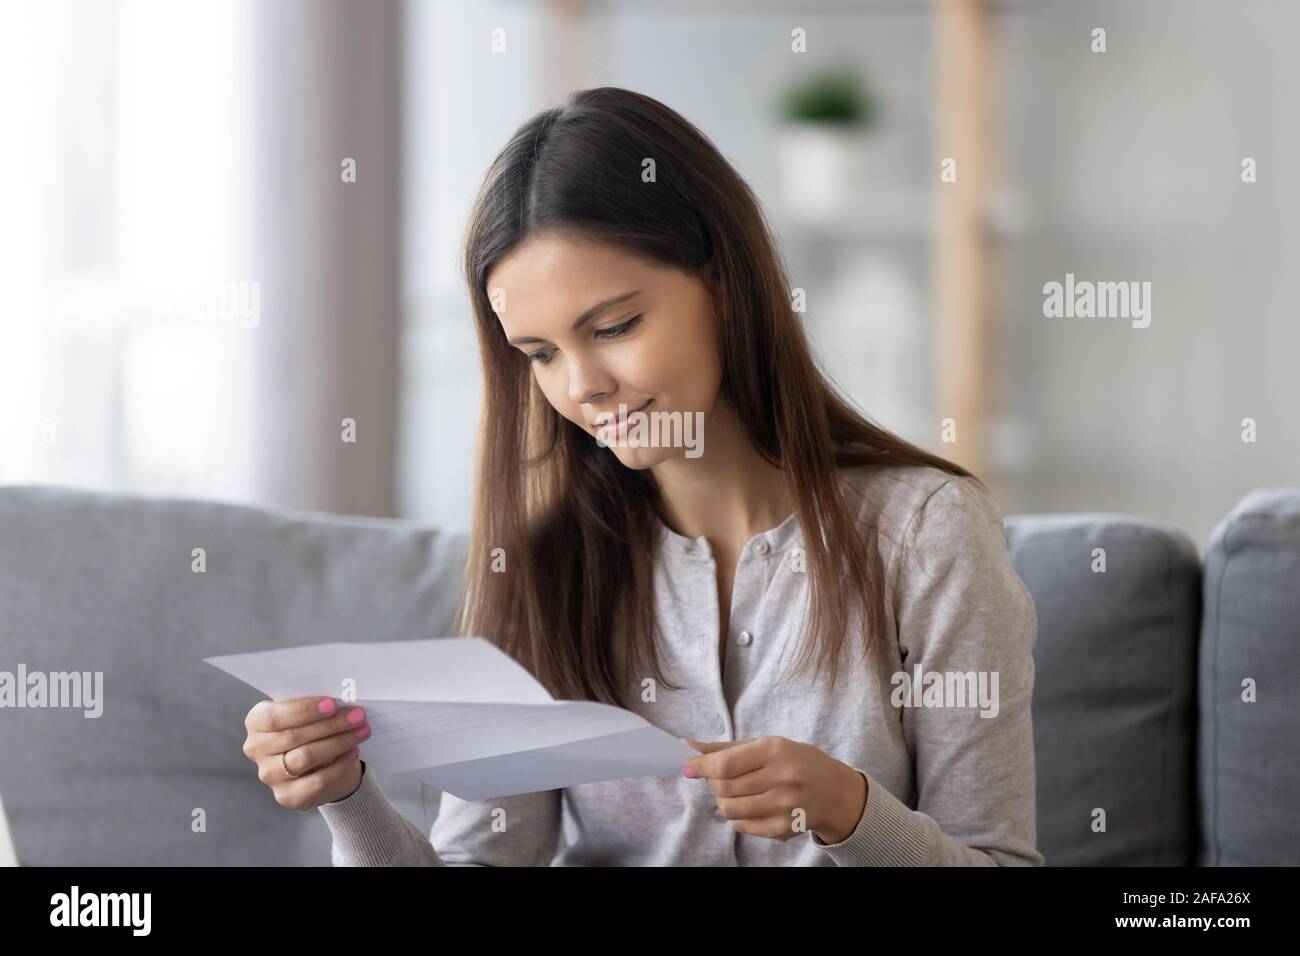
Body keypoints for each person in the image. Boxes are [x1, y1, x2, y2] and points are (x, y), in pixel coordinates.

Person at [242, 86, 1043, 866]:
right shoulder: (544, 564)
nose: (581, 385)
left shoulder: (926, 533)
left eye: (615, 326)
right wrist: (346, 799)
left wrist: (851, 812)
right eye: (541, 354)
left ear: (724, 283)